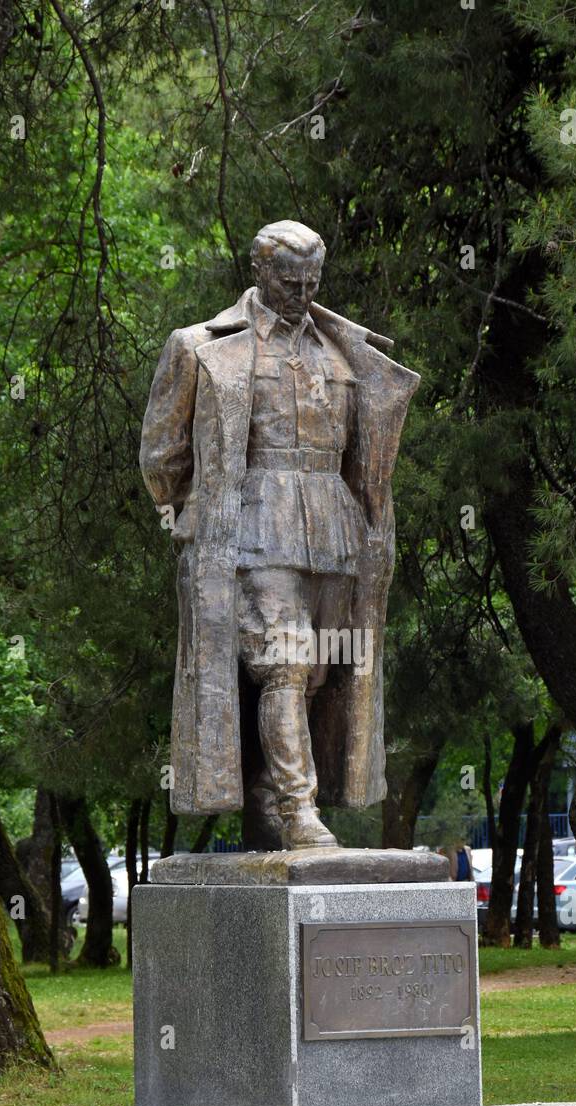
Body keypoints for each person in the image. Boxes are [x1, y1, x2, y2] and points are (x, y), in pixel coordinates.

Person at [140, 220, 420, 849]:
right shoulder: (200, 347)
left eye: (311, 282)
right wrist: (205, 512)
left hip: (335, 529)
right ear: (260, 272)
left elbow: (365, 457)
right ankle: (298, 810)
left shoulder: (344, 349)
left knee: (321, 676)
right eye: (289, 280)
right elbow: (162, 457)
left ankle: (275, 798)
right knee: (284, 664)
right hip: (252, 525)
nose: (300, 292)